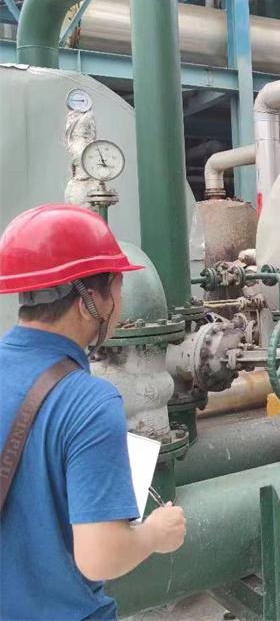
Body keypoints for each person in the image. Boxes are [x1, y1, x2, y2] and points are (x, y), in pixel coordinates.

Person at [0, 204, 186, 620]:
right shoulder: (89, 402)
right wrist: (154, 535)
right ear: (88, 303)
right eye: (117, 287)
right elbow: (100, 556)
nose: (121, 302)